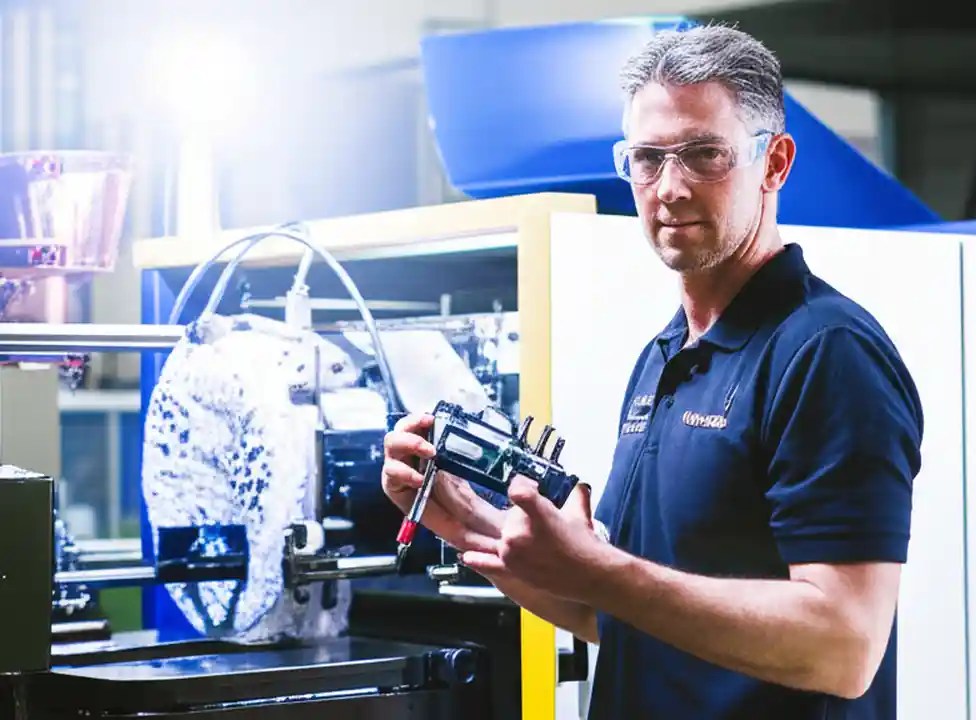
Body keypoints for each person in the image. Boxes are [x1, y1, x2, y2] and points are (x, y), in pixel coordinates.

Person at [383, 24, 924, 720]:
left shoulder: (826, 352)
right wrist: (464, 522)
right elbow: (615, 613)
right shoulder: (663, 357)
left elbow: (844, 647)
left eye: (704, 155)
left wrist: (604, 572)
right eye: (646, 158)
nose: (669, 188)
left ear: (774, 163)